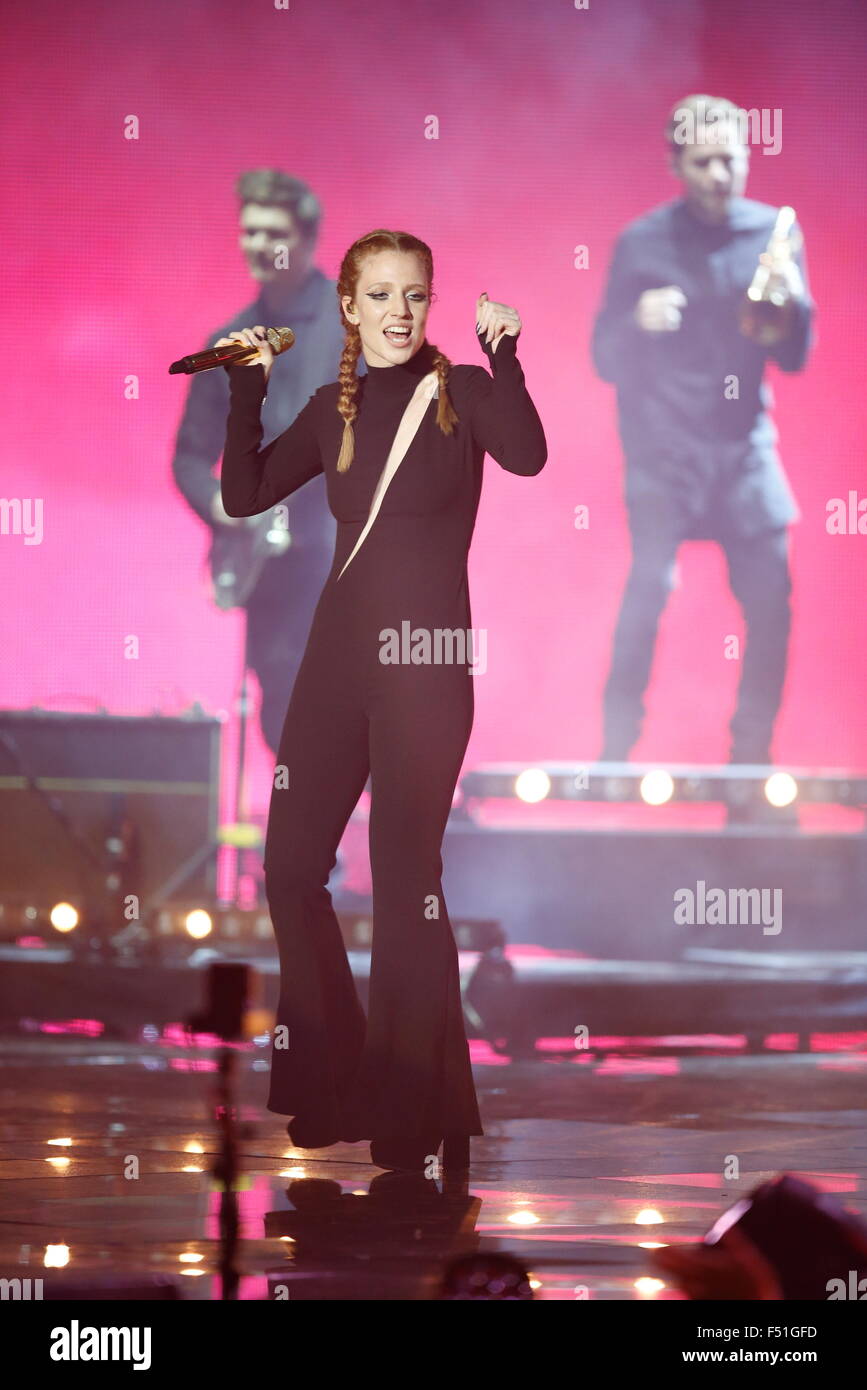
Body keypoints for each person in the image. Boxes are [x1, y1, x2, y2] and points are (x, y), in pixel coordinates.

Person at [217, 229, 547, 1171]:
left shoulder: (465, 397)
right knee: (287, 869)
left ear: (427, 306)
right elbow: (244, 495)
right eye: (381, 297)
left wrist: (507, 357)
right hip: (332, 668)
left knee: (408, 887)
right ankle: (331, 1077)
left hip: (425, 674)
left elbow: (526, 457)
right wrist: (246, 382)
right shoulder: (330, 409)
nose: (399, 313)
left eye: (415, 296)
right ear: (350, 310)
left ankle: (414, 1105)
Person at [592, 95, 814, 770]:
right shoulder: (641, 242)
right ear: (676, 165)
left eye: (731, 159)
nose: (720, 174)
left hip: (741, 450)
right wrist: (636, 322)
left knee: (772, 604)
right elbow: (601, 356)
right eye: (704, 161)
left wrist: (791, 308)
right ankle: (614, 753)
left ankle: (750, 761)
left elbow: (794, 358)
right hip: (663, 452)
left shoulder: (773, 232)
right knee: (649, 589)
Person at [172, 169, 347, 755]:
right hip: (272, 570)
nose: (254, 244)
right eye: (247, 231)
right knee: (284, 715)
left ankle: (428, 825)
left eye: (270, 231)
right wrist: (222, 507)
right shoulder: (229, 344)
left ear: (306, 238)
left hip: (344, 558)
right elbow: (191, 457)